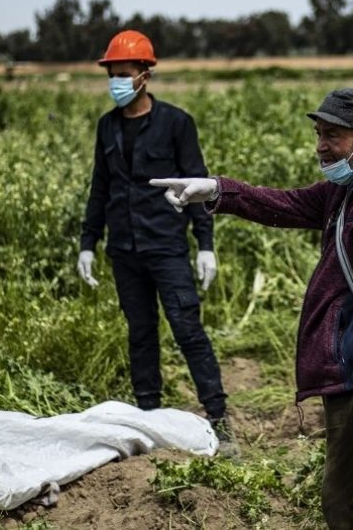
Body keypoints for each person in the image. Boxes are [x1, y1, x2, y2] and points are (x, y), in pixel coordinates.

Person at [152, 88, 353, 529]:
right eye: (319, 133)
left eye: (333, 136)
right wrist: (217, 190)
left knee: (350, 502)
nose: (321, 145)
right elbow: (289, 204)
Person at [75, 29, 234, 452]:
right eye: (112, 74)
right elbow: (100, 186)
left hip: (166, 248)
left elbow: (198, 186)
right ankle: (148, 417)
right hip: (124, 252)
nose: (116, 82)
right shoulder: (107, 127)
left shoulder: (176, 123)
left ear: (145, 74)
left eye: (124, 74)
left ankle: (218, 419)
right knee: (140, 333)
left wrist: (205, 244)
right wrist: (88, 242)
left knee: (187, 330)